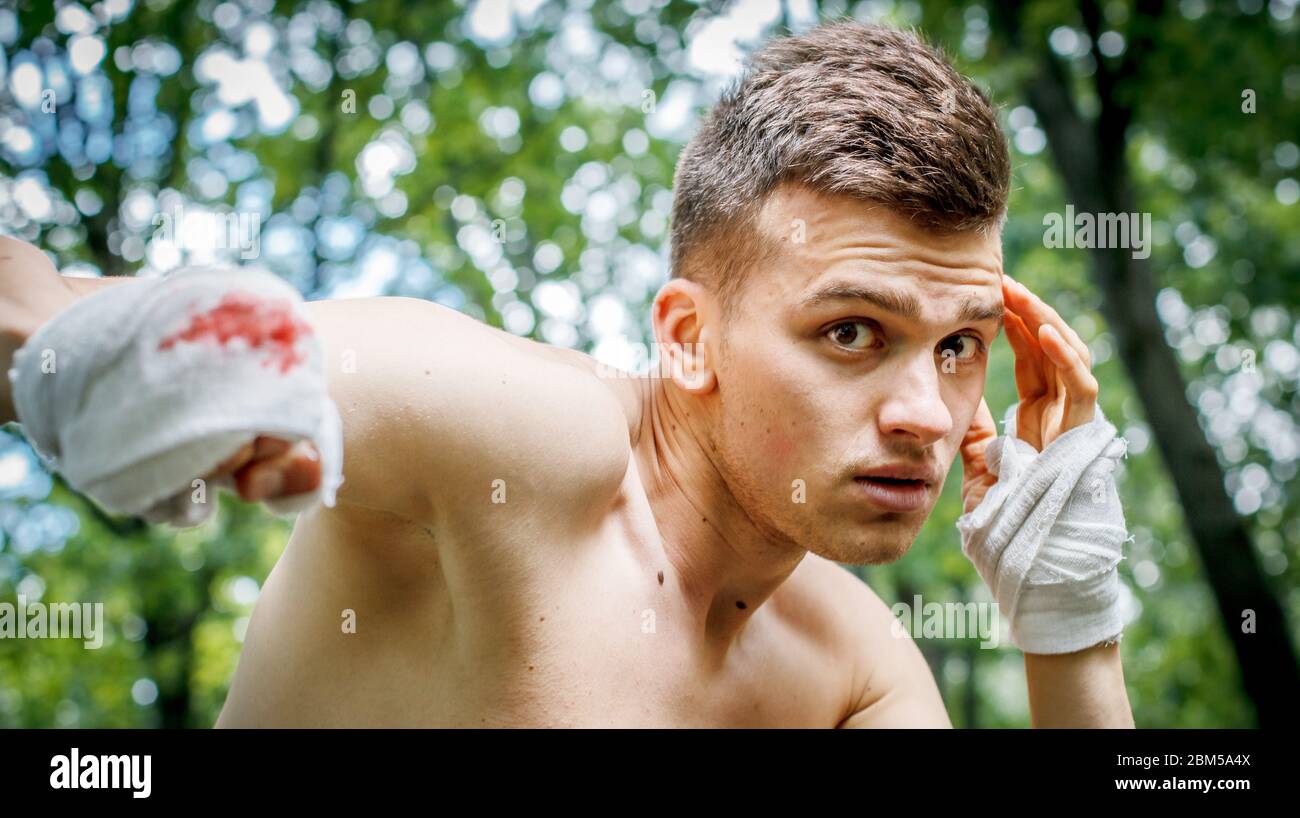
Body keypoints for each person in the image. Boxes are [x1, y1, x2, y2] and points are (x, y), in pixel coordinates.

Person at [0, 21, 1133, 727]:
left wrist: (1072, 625)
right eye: (850, 332)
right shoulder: (521, 440)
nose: (925, 414)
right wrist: (102, 352)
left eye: (958, 344)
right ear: (686, 336)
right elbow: (66, 312)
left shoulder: (853, 664)